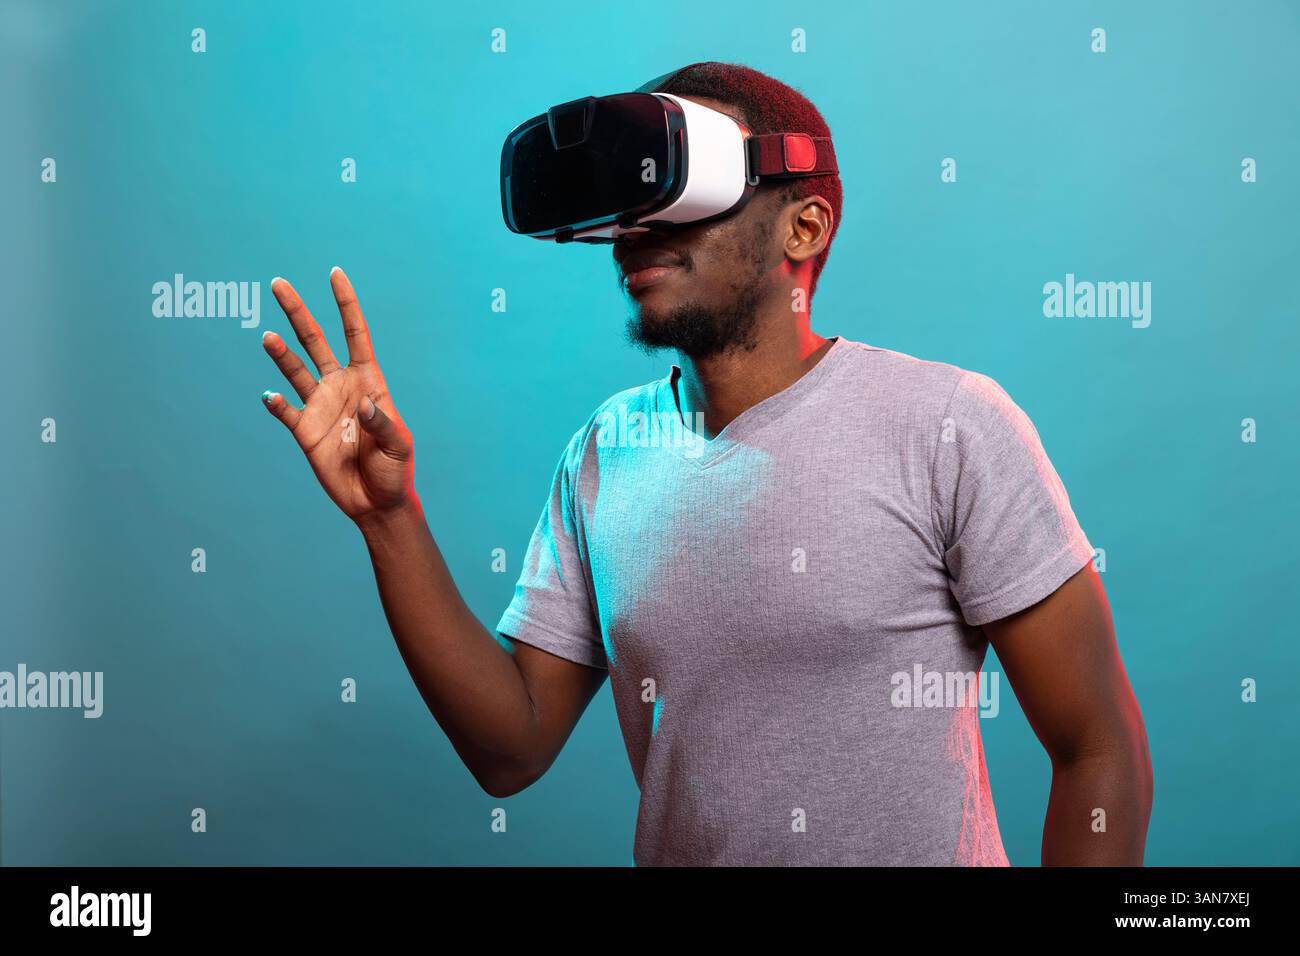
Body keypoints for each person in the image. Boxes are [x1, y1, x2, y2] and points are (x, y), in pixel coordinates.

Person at [258, 62, 1152, 866]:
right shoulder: (609, 451)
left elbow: (1098, 748)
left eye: (678, 198)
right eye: (630, 207)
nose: (636, 234)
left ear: (804, 226)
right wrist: (390, 521)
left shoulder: (950, 424)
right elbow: (511, 747)